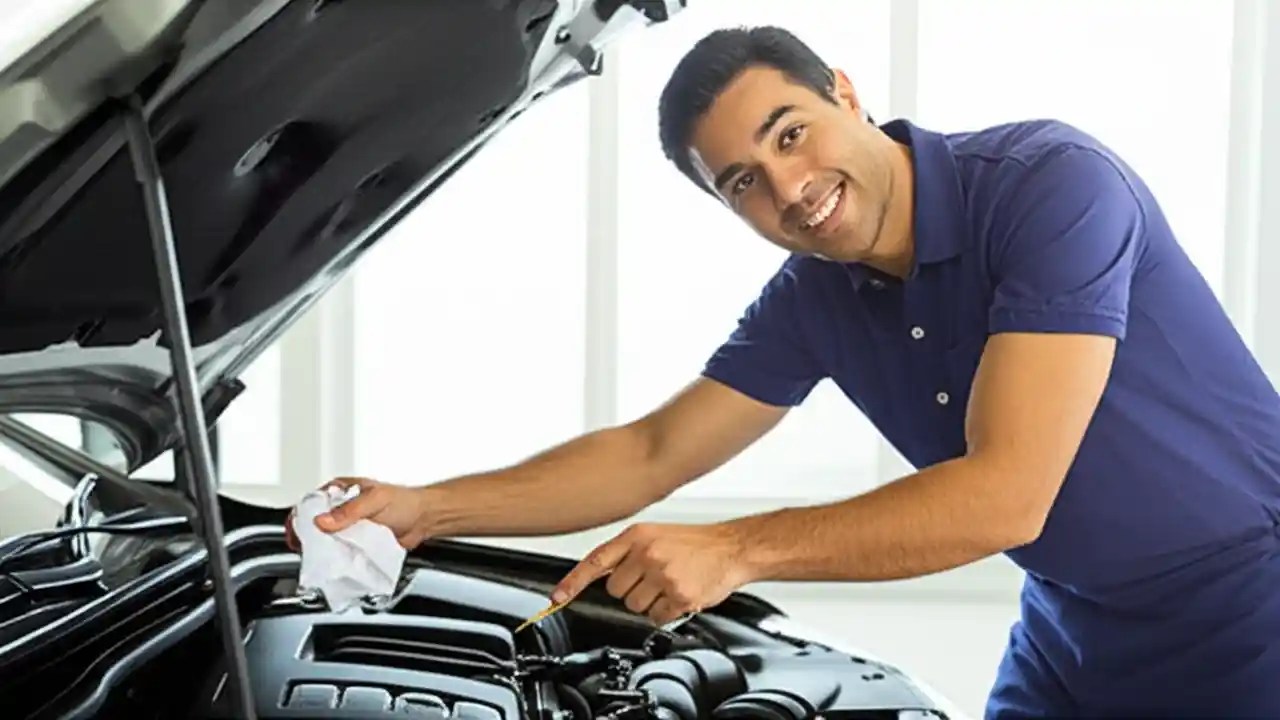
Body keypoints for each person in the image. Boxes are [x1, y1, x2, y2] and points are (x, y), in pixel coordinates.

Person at [288, 26, 1280, 718]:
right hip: (1067, 631)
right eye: (742, 184)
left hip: (1245, 619)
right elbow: (649, 450)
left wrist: (734, 551)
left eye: (790, 134)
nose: (790, 191)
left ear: (844, 94)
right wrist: (426, 508)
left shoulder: (1048, 188)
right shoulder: (813, 296)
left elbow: (1004, 497)